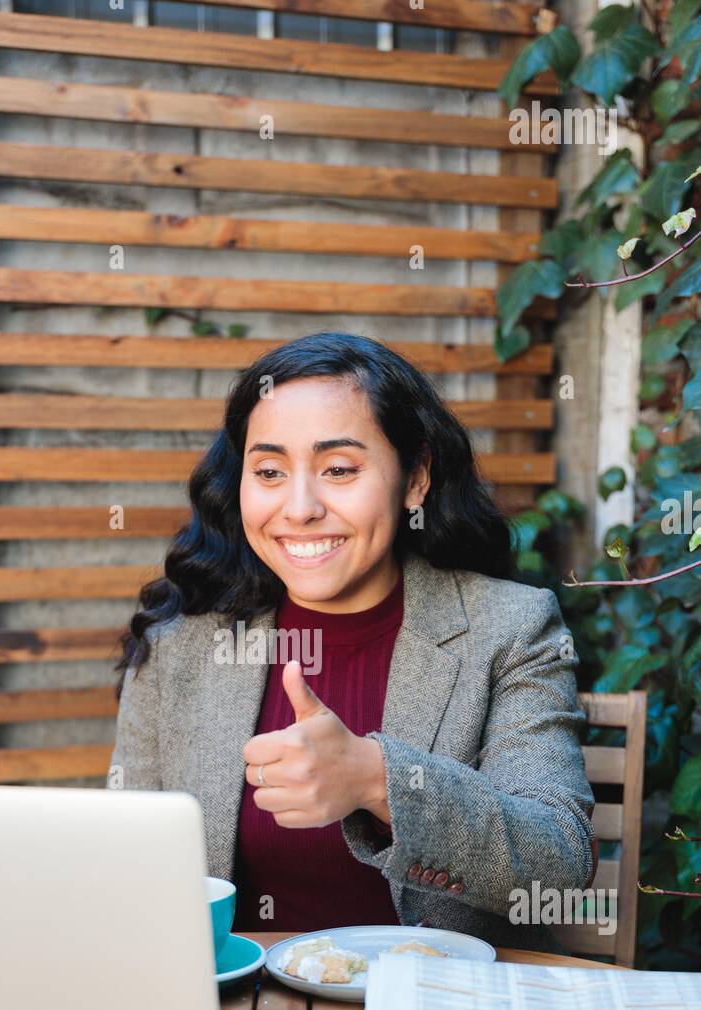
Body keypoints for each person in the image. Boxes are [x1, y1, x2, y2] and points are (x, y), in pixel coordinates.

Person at [107, 332, 595, 953]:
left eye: (339, 469)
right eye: (269, 472)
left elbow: (560, 861)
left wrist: (377, 781)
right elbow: (129, 867)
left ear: (415, 478)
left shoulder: (509, 627)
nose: (300, 507)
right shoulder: (181, 646)